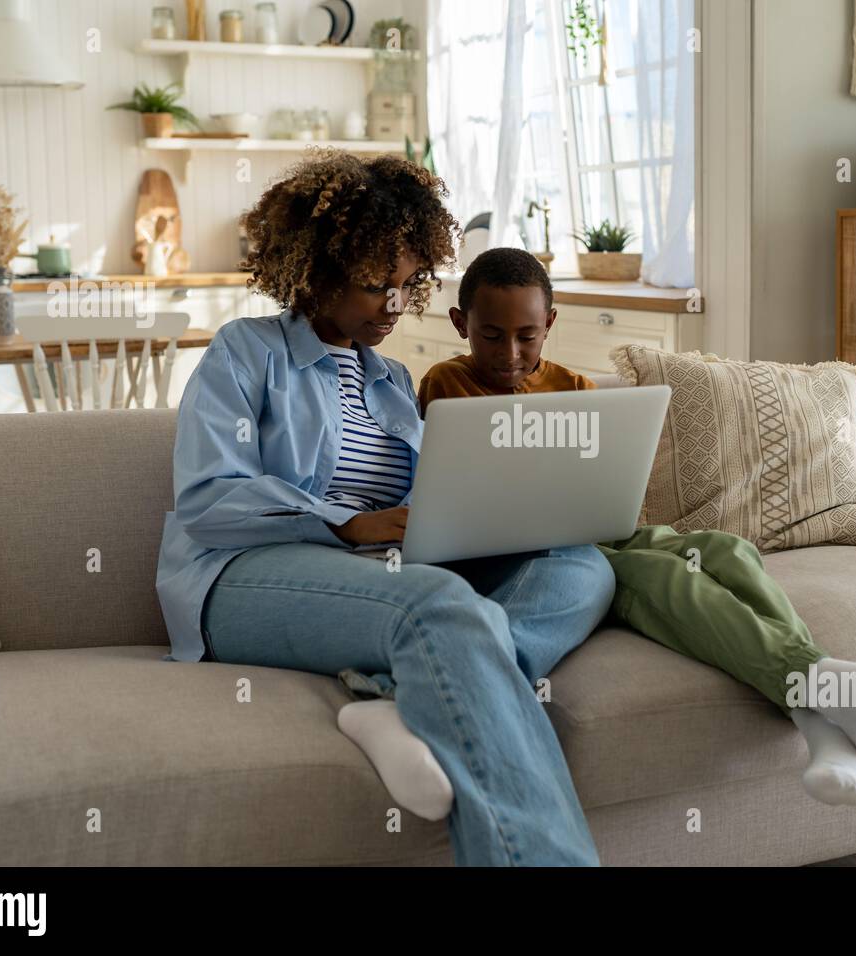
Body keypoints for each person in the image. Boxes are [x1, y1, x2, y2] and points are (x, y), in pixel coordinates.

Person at [155, 153, 614, 866]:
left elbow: (420, 501)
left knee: (580, 566)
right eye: (376, 285)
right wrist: (341, 520)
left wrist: (485, 513)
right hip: (240, 576)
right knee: (435, 605)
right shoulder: (244, 353)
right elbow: (208, 501)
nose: (395, 306)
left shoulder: (394, 380)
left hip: (382, 573)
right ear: (315, 271)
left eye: (408, 285)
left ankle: (402, 695)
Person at [418, 247, 856, 807]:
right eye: (491, 336)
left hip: (592, 530)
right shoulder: (445, 383)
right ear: (460, 323)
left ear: (550, 323)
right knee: (668, 581)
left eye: (528, 336)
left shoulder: (575, 388)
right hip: (533, 552)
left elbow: (605, 487)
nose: (510, 353)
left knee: (727, 551)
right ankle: (833, 703)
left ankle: (826, 729)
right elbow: (457, 484)